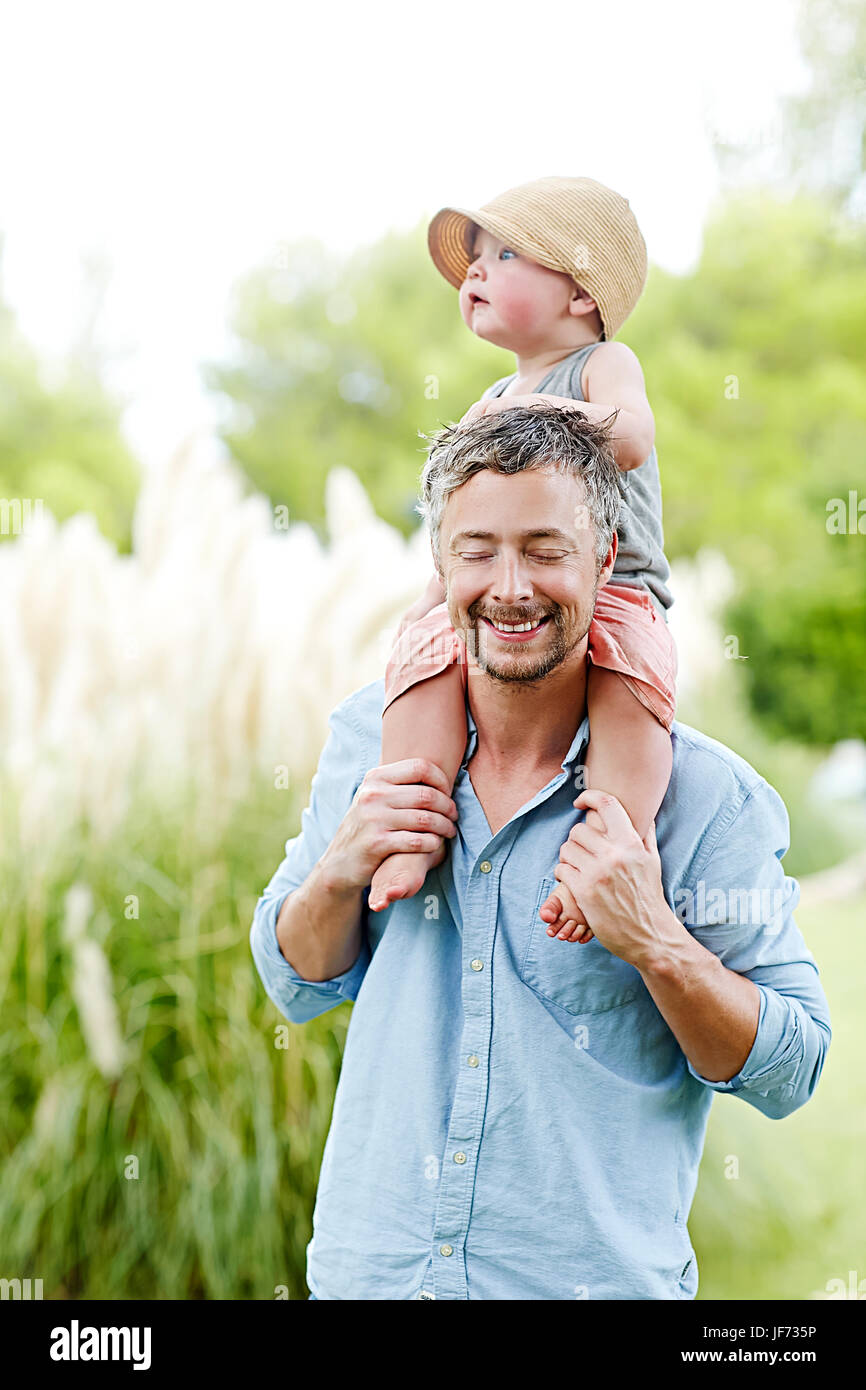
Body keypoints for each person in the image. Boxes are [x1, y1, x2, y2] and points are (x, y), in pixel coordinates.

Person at [249, 405, 831, 1301]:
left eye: (545, 549)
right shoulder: (374, 740)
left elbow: (794, 1067)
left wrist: (655, 941)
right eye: (478, 550)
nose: (510, 586)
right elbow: (294, 978)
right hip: (374, 1279)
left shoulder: (709, 801)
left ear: (605, 560)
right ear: (440, 565)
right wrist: (340, 868)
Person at [370, 175, 676, 948]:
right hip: (521, 599)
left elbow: (633, 435)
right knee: (427, 661)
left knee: (629, 701)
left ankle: (611, 849)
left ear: (578, 292)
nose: (474, 271)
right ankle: (412, 818)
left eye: (501, 254)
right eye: (472, 259)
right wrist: (434, 597)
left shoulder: (603, 363)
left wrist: (540, 414)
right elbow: (463, 519)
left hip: (616, 593)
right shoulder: (492, 395)